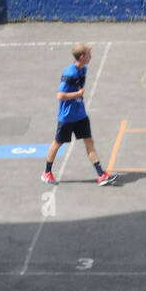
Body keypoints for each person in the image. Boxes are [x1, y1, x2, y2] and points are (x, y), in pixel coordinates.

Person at [41, 44, 117, 186]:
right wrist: (77, 94)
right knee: (58, 143)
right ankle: (47, 172)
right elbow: (60, 95)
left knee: (89, 141)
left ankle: (101, 175)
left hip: (80, 114)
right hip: (67, 116)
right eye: (89, 54)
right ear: (82, 57)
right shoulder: (69, 73)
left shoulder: (83, 69)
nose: (91, 57)